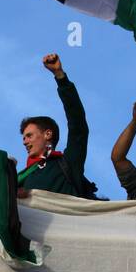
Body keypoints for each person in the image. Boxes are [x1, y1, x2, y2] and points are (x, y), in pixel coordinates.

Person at [18, 54, 96, 198]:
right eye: (23, 138)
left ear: (48, 134)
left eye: (29, 136)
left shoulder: (69, 163)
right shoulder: (20, 180)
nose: (25, 142)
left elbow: (78, 124)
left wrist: (60, 76)